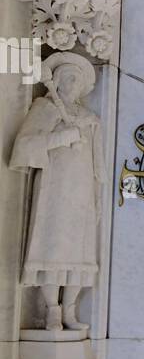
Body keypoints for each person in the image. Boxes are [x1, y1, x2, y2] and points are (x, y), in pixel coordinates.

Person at [10, 52, 105, 334]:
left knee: (79, 250)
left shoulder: (89, 119)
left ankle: (70, 309)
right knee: (53, 245)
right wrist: (60, 137)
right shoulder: (46, 107)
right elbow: (24, 146)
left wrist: (98, 193)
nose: (73, 83)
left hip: (82, 191)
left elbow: (98, 162)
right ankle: (52, 309)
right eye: (69, 77)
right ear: (58, 81)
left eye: (77, 79)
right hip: (54, 189)